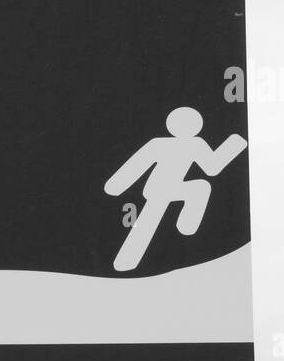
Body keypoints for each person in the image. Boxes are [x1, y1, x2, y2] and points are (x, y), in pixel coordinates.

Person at [103, 107, 247, 272]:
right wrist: (116, 185)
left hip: (169, 188)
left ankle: (186, 224)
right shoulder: (165, 144)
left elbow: (212, 168)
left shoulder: (194, 144)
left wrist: (234, 145)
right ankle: (126, 262)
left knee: (198, 188)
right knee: (149, 222)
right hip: (159, 189)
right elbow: (137, 165)